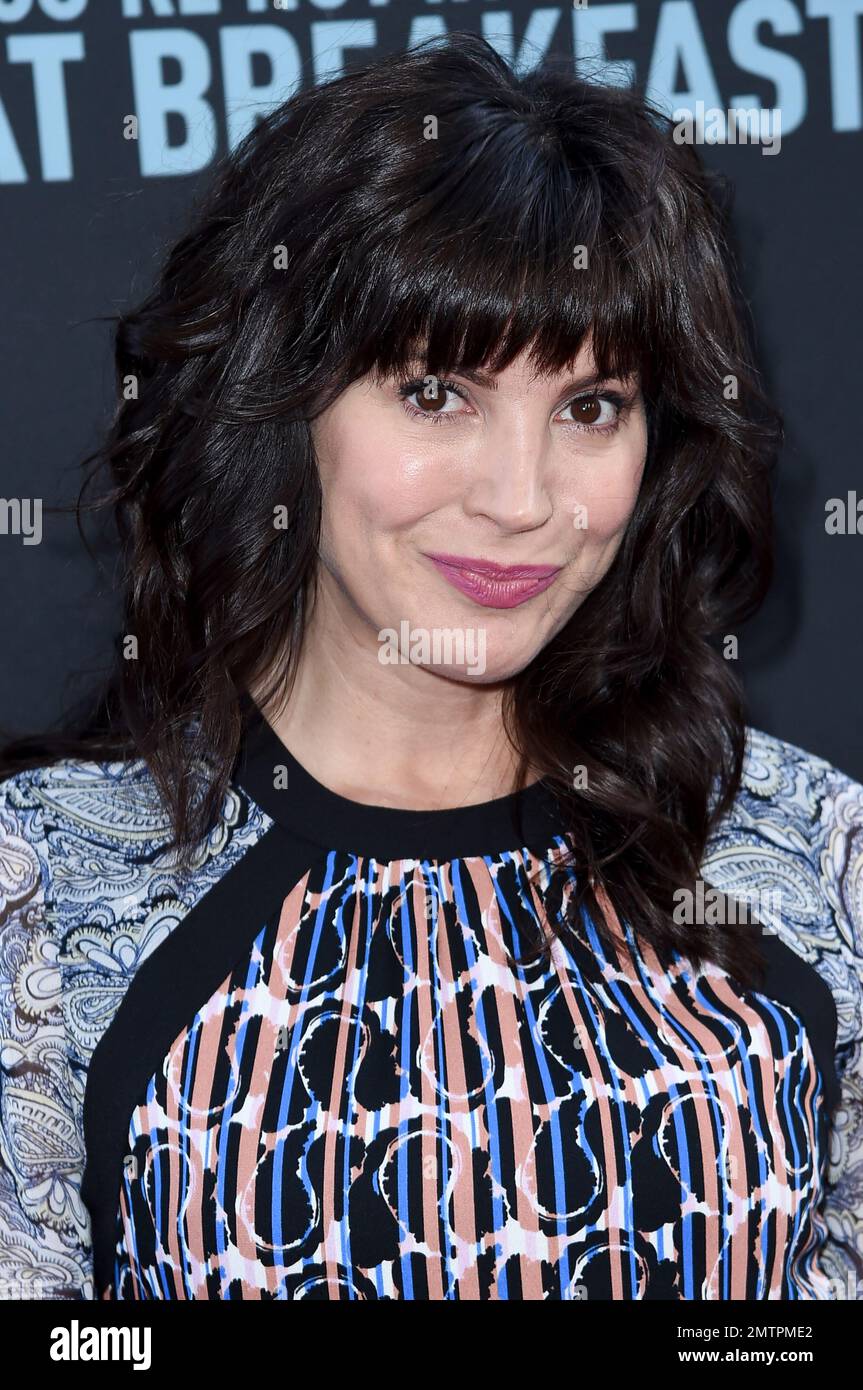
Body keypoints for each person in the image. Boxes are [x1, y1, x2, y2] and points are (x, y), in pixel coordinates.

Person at [0, 31, 861, 1303]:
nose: (522, 502)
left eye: (590, 408)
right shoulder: (42, 896)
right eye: (434, 394)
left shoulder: (809, 859)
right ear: (280, 402)